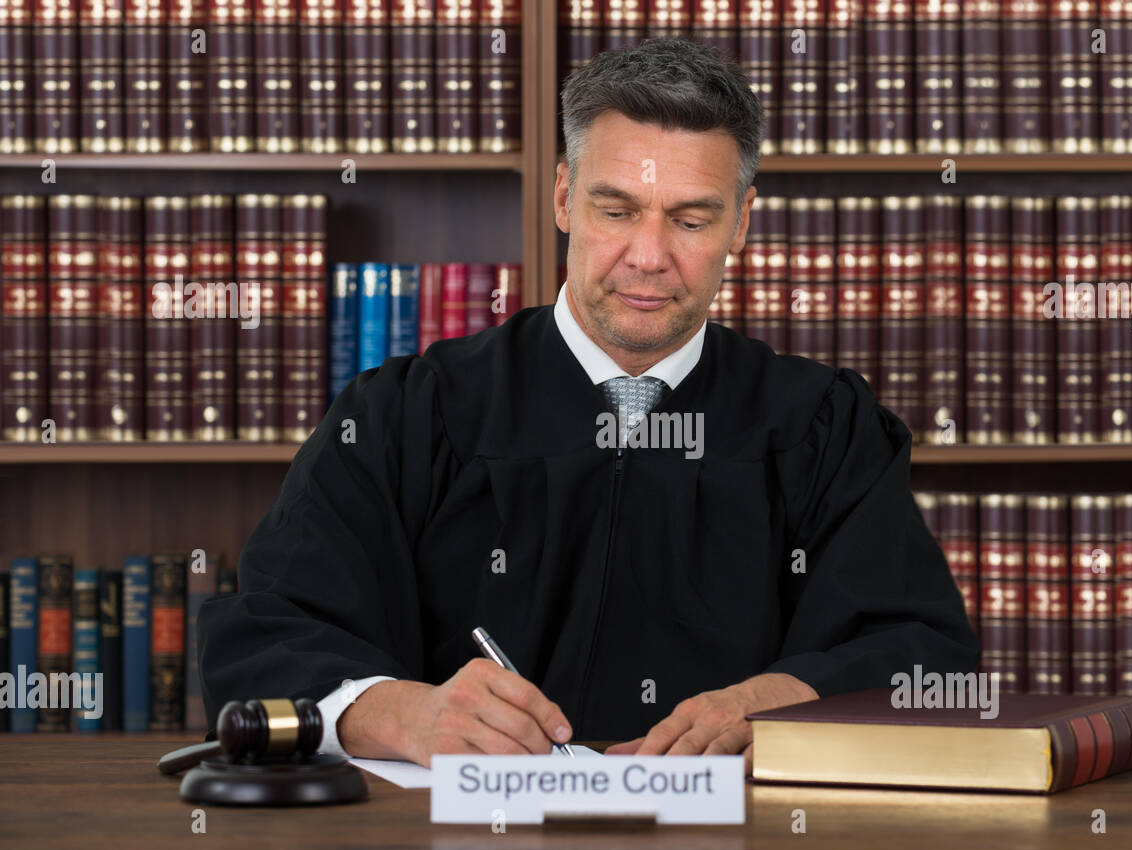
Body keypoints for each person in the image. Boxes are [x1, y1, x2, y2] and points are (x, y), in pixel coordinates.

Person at [199, 36, 979, 772]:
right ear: (565, 197)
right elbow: (265, 638)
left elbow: (922, 650)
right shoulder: (409, 414)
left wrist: (782, 700)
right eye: (617, 209)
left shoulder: (821, 426)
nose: (648, 256)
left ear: (741, 223)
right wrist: (400, 713)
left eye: (691, 218)